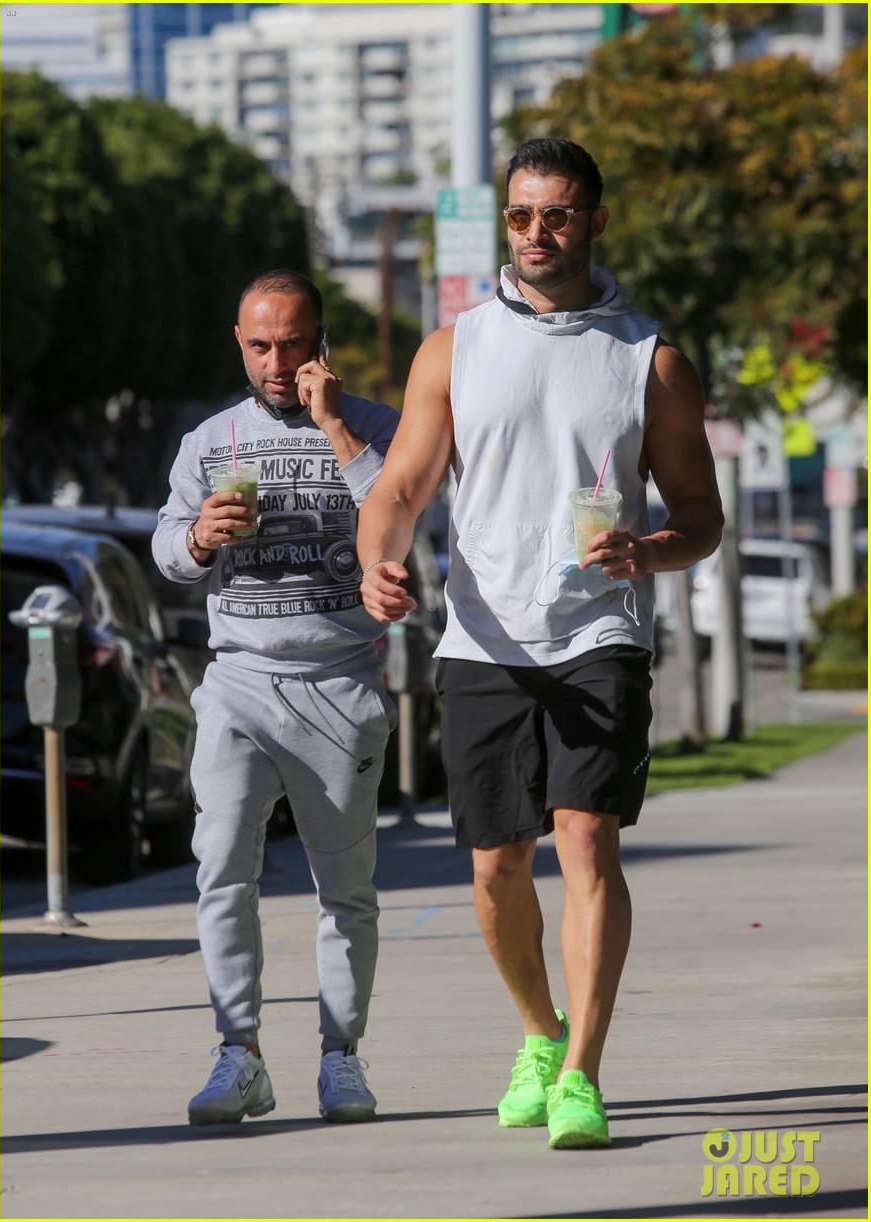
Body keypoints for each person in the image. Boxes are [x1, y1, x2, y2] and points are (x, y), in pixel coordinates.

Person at [357, 139, 723, 1150]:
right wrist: (376, 560)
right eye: (520, 216)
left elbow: (700, 514)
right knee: (491, 866)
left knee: (584, 838)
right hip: (481, 635)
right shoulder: (453, 347)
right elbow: (399, 488)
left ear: (595, 220)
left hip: (597, 627)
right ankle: (535, 1030)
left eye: (556, 214)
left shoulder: (648, 357)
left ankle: (580, 1074)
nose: (535, 233)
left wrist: (646, 550)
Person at [153, 269, 400, 1126]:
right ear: (239, 343)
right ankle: (239, 1053)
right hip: (239, 680)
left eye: (292, 342)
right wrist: (194, 536)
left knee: (346, 888)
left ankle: (342, 1058)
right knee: (222, 870)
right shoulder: (208, 441)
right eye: (260, 344)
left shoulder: (373, 427)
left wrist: (333, 425)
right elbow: (166, 552)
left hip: (340, 681)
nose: (276, 360)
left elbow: (399, 524)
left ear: (320, 342)